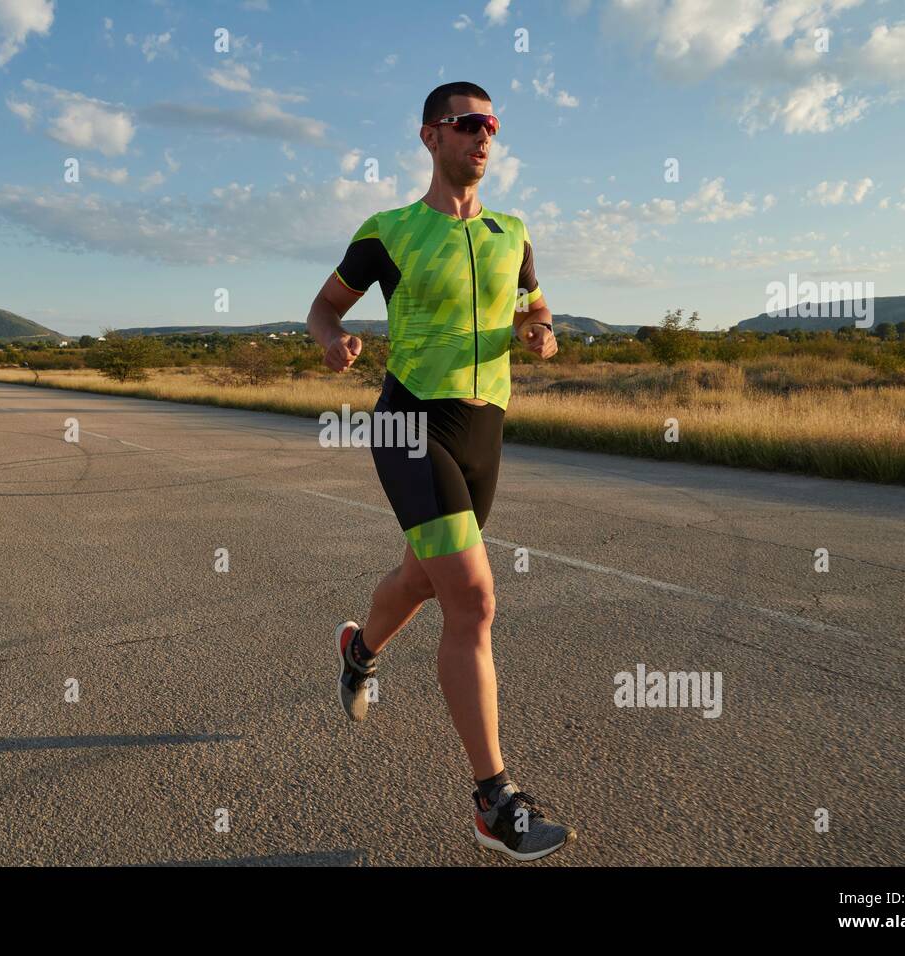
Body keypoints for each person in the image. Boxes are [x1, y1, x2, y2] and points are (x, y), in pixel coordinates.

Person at [305, 82, 576, 862]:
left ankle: (359, 648)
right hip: (407, 417)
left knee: (424, 580)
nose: (483, 137)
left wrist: (543, 332)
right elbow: (325, 306)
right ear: (430, 138)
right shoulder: (389, 232)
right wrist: (331, 341)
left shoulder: (512, 232)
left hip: (483, 429)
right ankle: (495, 800)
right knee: (475, 599)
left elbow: (537, 308)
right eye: (467, 125)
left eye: (491, 125)